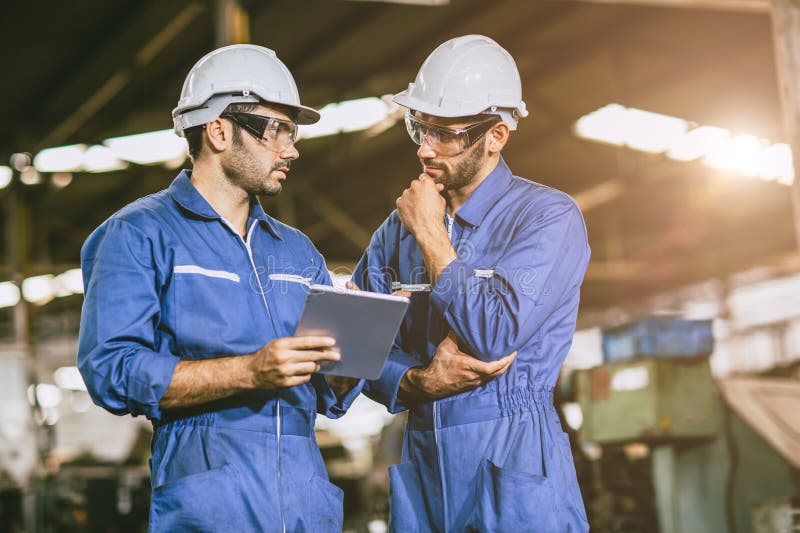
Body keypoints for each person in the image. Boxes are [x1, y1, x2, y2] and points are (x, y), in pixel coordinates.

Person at [77, 44, 361, 532]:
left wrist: (358, 335)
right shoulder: (139, 234)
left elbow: (328, 393)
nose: (291, 149)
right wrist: (250, 371)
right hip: (210, 503)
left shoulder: (297, 252)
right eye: (277, 129)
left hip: (305, 504)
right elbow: (112, 370)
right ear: (218, 130)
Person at [352, 35, 591, 532]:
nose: (424, 147)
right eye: (418, 126)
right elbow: (354, 350)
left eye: (443, 133)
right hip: (423, 466)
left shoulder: (547, 218)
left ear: (496, 135)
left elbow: (494, 335)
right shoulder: (397, 231)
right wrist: (416, 382)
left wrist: (433, 234)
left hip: (515, 459)